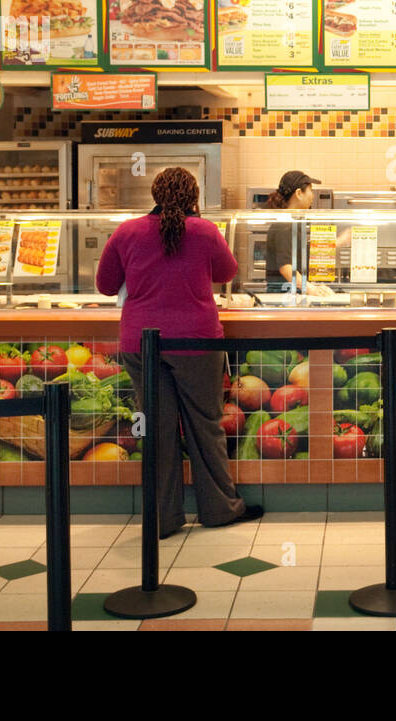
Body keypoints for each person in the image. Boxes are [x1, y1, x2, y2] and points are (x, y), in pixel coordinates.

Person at [96, 167, 262, 537]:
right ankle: (220, 509)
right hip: (196, 341)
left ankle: (163, 519)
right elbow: (227, 271)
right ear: (194, 198)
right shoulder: (203, 231)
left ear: (155, 194)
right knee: (205, 427)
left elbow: (105, 285)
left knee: (157, 430)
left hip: (142, 342)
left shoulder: (127, 231)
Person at [265, 170, 334, 297]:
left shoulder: (292, 222)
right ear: (299, 193)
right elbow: (286, 267)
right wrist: (309, 288)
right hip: (282, 298)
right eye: (310, 190)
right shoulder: (284, 225)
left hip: (289, 296)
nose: (312, 195)